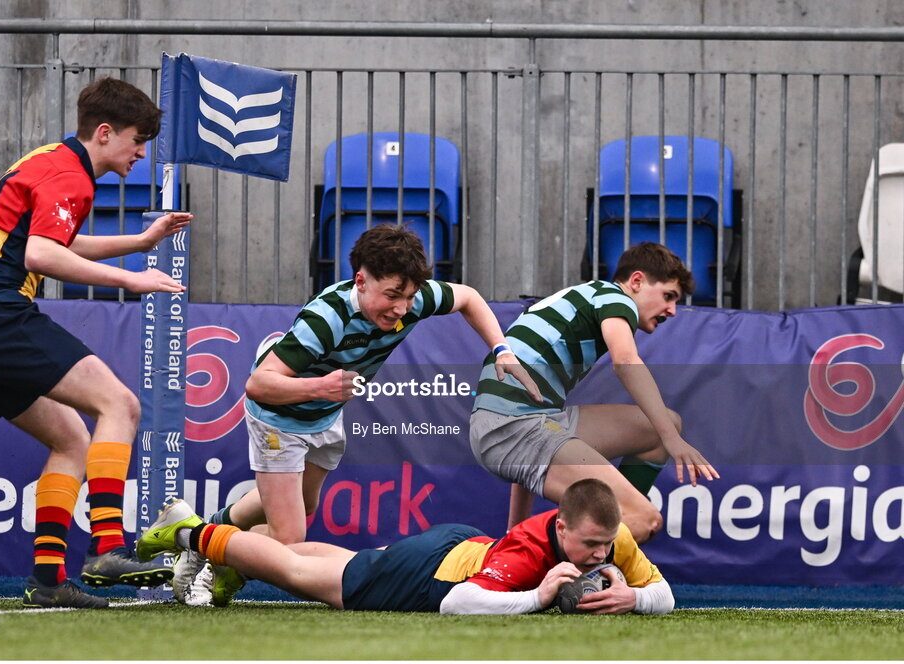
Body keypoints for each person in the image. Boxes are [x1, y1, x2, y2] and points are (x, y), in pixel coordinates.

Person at [170, 224, 541, 605]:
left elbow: (469, 298)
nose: (401, 309)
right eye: (393, 295)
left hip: (326, 416)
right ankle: (205, 548)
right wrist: (321, 387)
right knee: (288, 541)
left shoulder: (412, 299)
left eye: (410, 297)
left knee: (301, 504)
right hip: (278, 418)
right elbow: (259, 384)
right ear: (361, 281)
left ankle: (209, 533)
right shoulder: (326, 319)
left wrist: (502, 349)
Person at [0, 77, 193, 609]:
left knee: (72, 441)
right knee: (119, 404)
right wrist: (133, 278)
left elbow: (58, 240)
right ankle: (107, 548)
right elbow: (41, 256)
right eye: (137, 141)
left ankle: (49, 582)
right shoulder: (69, 176)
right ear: (105, 133)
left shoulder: (53, 160)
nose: (141, 154)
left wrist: (141, 242)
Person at [470, 242, 719, 542]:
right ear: (637, 281)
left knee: (663, 424)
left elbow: (530, 449)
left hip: (519, 425)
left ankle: (600, 528)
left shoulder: (590, 296)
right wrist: (674, 441)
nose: (673, 311)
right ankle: (590, 568)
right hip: (514, 429)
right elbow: (626, 362)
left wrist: (513, 533)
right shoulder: (617, 298)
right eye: (669, 296)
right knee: (644, 518)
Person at [137, 478, 674, 615]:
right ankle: (186, 531)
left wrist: (635, 598)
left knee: (350, 565)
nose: (601, 557)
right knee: (302, 577)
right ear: (561, 528)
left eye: (606, 546)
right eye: (590, 547)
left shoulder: (612, 535)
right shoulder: (530, 552)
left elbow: (664, 593)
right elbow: (457, 604)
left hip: (459, 547)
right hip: (436, 576)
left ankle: (238, 546)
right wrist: (535, 599)